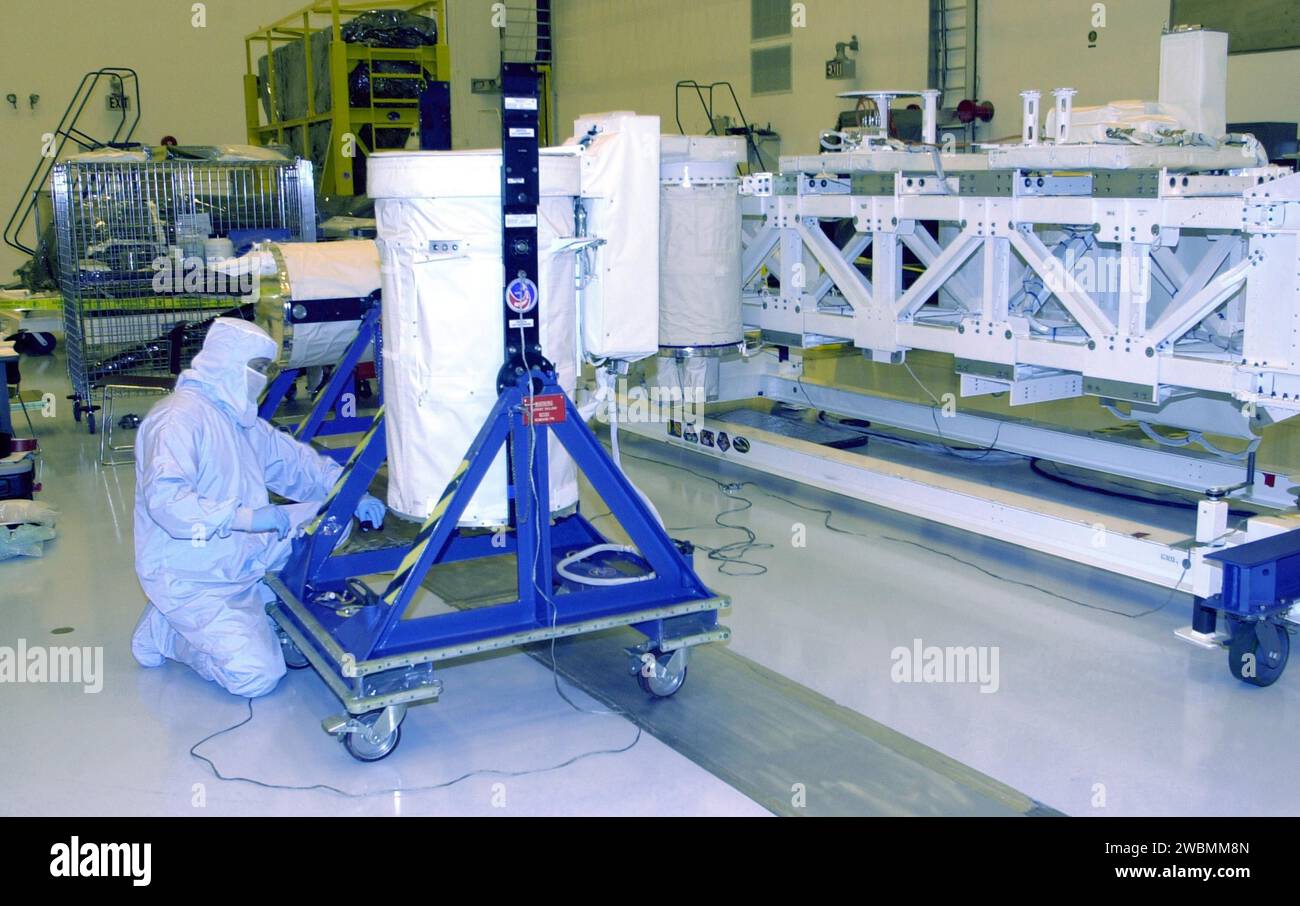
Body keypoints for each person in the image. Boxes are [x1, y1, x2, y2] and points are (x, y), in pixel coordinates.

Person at [130, 317, 385, 697]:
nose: (262, 378)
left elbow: (299, 466)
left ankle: (261, 603)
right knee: (257, 677)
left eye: (266, 369)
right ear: (228, 362)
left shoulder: (239, 419)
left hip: (242, 551)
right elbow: (167, 504)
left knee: (333, 520)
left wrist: (350, 493)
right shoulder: (175, 420)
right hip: (191, 570)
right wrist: (245, 518)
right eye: (258, 368)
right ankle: (166, 632)